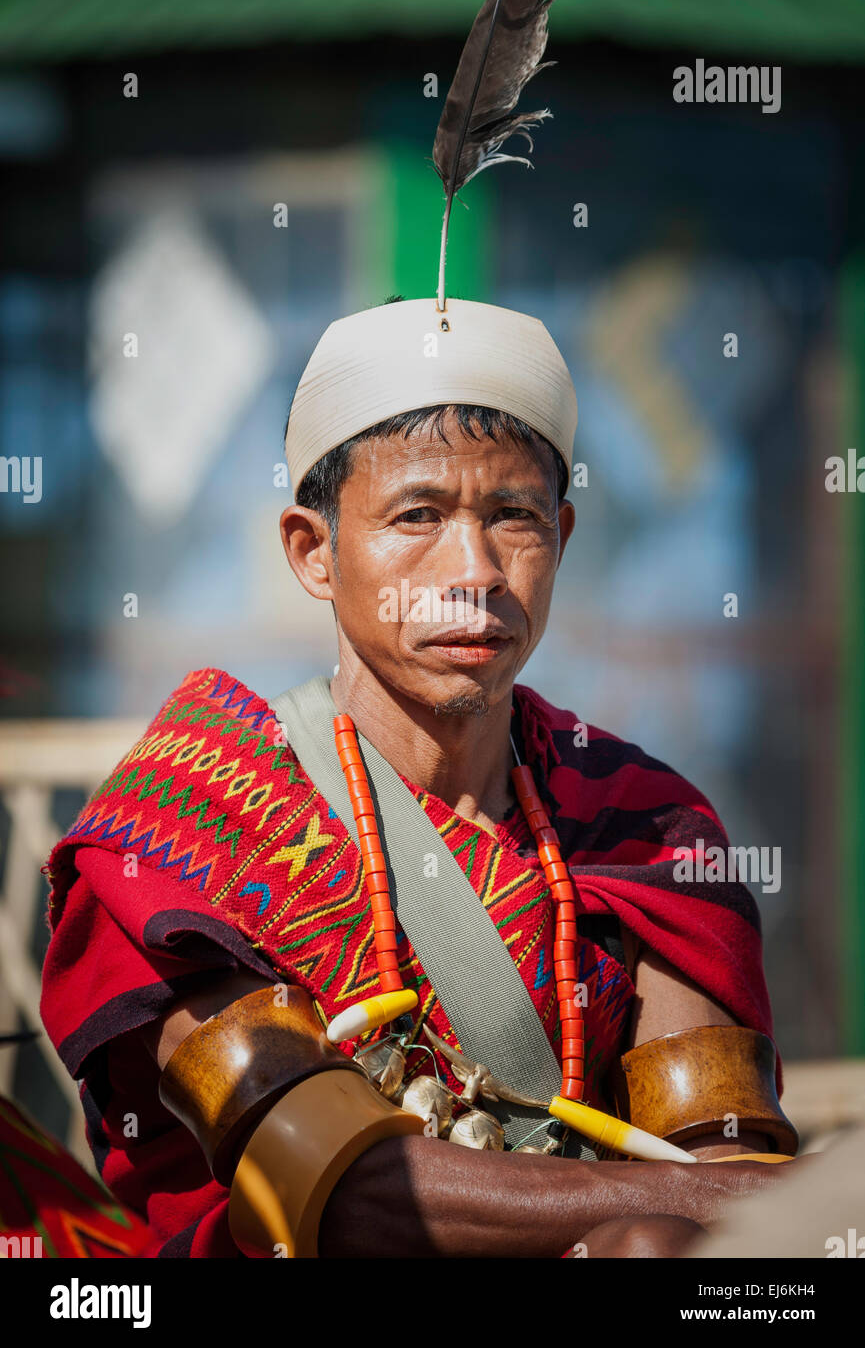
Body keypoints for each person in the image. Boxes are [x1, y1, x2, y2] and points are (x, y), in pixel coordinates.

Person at [40, 291, 797, 1258]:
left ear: (560, 539)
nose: (473, 570)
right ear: (314, 553)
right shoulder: (186, 825)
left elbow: (716, 1152)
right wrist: (712, 1205)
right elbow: (341, 1190)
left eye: (513, 517)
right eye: (417, 515)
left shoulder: (637, 822)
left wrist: (712, 1208)